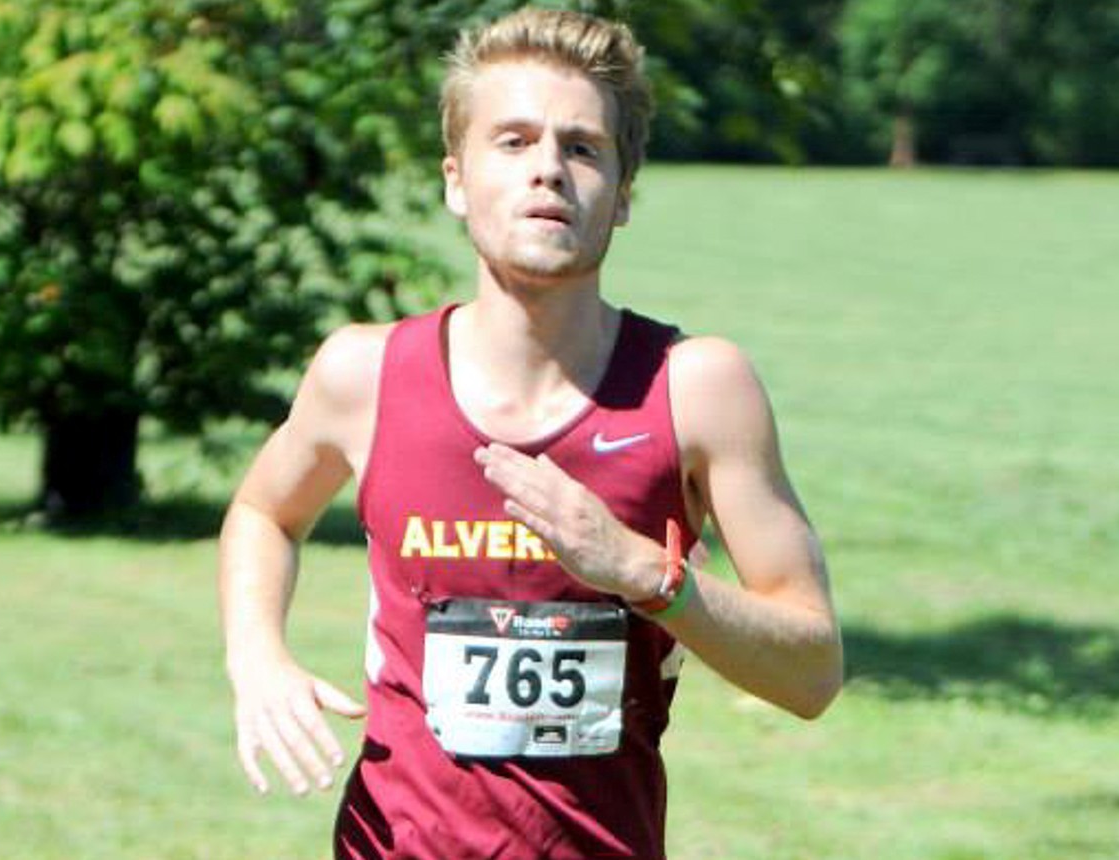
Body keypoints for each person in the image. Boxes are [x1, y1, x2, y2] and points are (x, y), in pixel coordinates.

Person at [218, 8, 842, 858]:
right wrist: (257, 659)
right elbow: (263, 512)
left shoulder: (696, 390)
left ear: (621, 194)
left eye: (582, 147)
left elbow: (811, 673)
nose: (548, 168)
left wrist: (643, 576)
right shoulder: (363, 376)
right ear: (455, 179)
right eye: (512, 142)